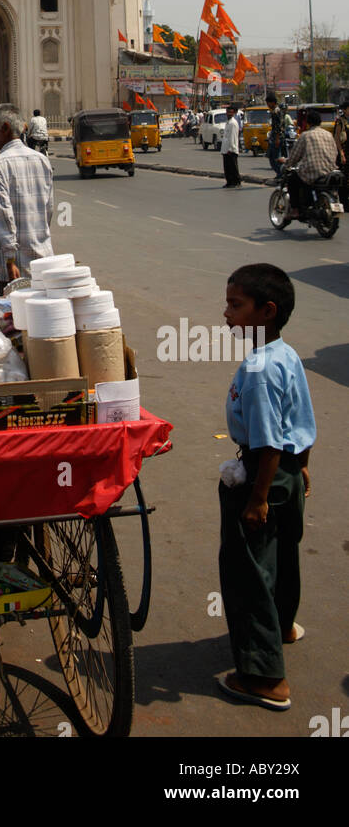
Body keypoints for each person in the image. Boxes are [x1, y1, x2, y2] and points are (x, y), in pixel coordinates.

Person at [217, 263, 315, 711]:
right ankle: (284, 626)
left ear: (267, 310)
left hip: (265, 476)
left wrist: (256, 498)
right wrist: (302, 469)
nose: (227, 314)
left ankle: (263, 676)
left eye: (236, 305)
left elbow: (270, 440)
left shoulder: (258, 369)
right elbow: (300, 417)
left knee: (248, 572)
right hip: (288, 474)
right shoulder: (285, 354)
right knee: (281, 555)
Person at [0, 103, 53, 289]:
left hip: (9, 264)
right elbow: (48, 210)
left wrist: (10, 258)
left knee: (11, 314)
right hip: (40, 256)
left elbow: (2, 213)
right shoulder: (42, 160)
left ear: (5, 128)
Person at [281, 108, 338, 216]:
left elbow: (294, 156)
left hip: (313, 171)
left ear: (308, 123)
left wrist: (287, 163)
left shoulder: (305, 135)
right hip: (330, 171)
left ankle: (295, 209)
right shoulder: (328, 134)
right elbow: (335, 153)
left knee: (292, 179)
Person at [332, 97, 349, 210]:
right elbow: (337, 138)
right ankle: (344, 202)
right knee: (344, 178)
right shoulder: (340, 121)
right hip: (345, 153)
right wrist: (341, 154)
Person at [265, 92, 286, 183]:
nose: (268, 105)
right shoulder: (277, 111)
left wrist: (277, 139)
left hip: (277, 137)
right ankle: (279, 174)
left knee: (275, 158)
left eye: (268, 103)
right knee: (273, 156)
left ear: (273, 102)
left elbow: (278, 127)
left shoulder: (276, 112)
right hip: (276, 137)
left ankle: (281, 175)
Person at [221, 104, 241, 187]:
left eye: (230, 112)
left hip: (231, 149)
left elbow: (233, 137)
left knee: (233, 167)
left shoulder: (233, 123)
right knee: (227, 167)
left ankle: (236, 182)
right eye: (227, 112)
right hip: (225, 148)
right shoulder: (228, 122)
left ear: (233, 113)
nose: (228, 114)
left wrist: (230, 148)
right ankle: (229, 182)